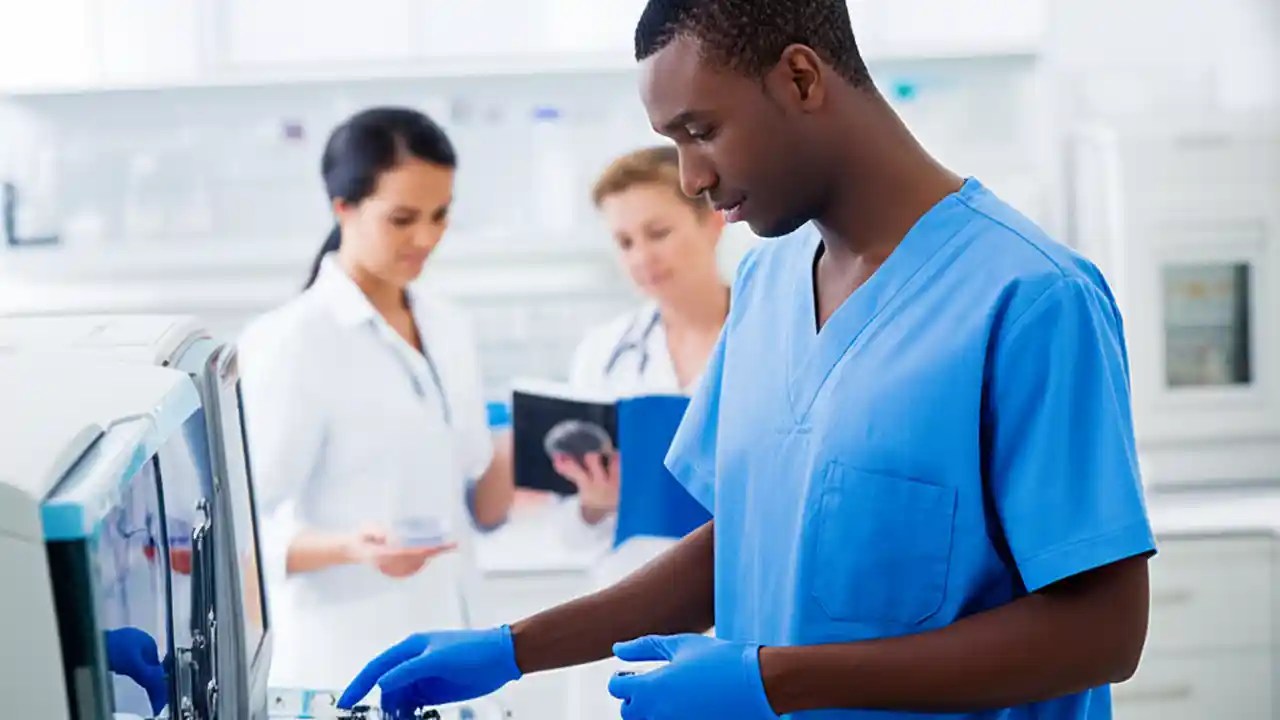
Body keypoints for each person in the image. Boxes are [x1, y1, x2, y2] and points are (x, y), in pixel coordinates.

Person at [338, 2, 1156, 718]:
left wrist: (774, 680)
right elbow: (748, 538)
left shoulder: (1031, 298)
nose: (692, 177)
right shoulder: (767, 282)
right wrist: (514, 648)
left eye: (701, 130)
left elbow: (1102, 633)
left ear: (801, 79)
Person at [237, 107, 515, 690]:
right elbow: (239, 527)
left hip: (455, 651)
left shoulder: (449, 326)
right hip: (345, 665)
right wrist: (350, 547)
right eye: (402, 218)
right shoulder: (291, 341)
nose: (427, 237)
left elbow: (471, 496)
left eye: (440, 215)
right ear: (343, 208)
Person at [549, 145, 730, 551]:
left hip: (737, 596)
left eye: (658, 233)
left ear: (713, 222)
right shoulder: (603, 352)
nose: (642, 257)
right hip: (633, 597)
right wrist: (594, 504)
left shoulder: (775, 341)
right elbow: (570, 533)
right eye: (625, 242)